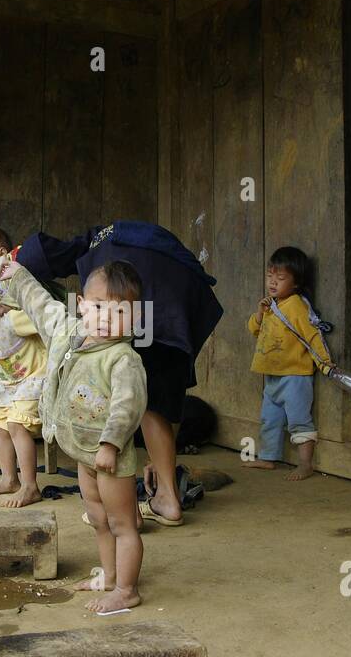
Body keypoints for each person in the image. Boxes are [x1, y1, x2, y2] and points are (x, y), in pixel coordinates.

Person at [16, 222, 222, 526]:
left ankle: (126, 512)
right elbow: (167, 399)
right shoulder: (128, 235)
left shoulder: (98, 254)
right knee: (159, 396)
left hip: (153, 299)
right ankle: (168, 498)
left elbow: (38, 259)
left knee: (120, 391)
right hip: (185, 295)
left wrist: (13, 268)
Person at [0, 253, 148, 613]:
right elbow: (41, 306)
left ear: (136, 317)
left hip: (109, 457)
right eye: (98, 306)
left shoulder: (123, 359)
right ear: (81, 306)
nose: (107, 318)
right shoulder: (70, 336)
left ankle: (126, 590)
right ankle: (108, 577)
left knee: (121, 523)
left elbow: (128, 406)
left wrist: (110, 444)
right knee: (97, 519)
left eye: (120, 311)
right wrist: (16, 276)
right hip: (82, 453)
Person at [244, 246, 333, 481]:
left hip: (295, 376)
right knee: (269, 419)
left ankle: (306, 464)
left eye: (280, 278)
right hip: (272, 375)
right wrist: (261, 313)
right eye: (270, 276)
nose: (273, 282)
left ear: (295, 283)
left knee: (299, 420)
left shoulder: (295, 305)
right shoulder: (271, 305)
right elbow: (254, 330)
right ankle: (268, 457)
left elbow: (312, 336)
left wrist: (324, 362)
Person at [0, 226, 49, 507]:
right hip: (9, 378)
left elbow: (44, 318)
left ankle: (31, 485)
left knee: (16, 424)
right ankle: (10, 479)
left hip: (35, 374)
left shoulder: (12, 317)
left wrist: (11, 307)